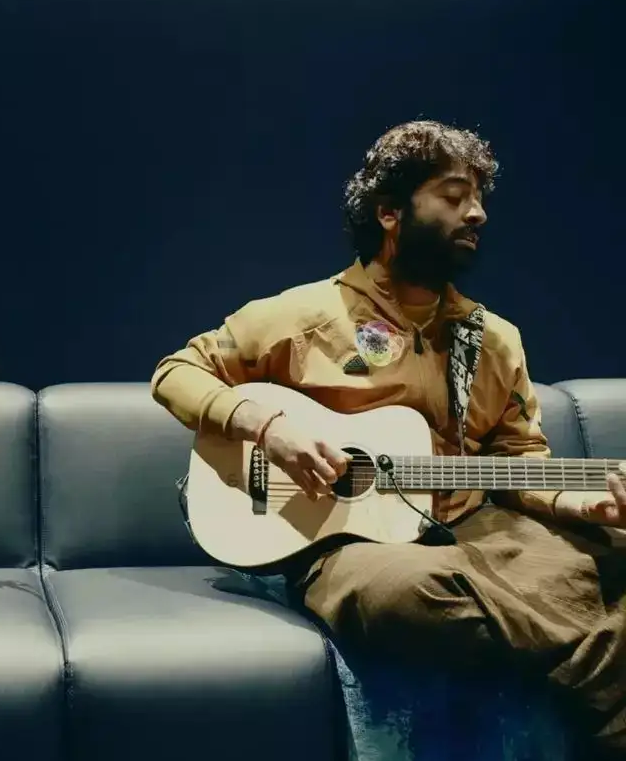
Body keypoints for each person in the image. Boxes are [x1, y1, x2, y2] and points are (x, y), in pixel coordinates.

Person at [151, 120, 626, 757]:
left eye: (479, 198)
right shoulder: (304, 315)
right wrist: (269, 426)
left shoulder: (493, 339)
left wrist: (577, 503)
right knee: (405, 596)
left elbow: (518, 460)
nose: (477, 213)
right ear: (389, 213)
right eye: (454, 196)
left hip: (481, 530)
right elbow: (176, 372)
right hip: (353, 544)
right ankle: (601, 674)